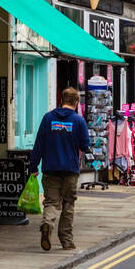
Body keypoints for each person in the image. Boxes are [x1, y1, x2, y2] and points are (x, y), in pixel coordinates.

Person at [28, 87, 90, 252]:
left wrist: (33, 166)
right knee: (68, 204)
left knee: (51, 202)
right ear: (76, 102)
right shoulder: (78, 121)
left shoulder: (48, 118)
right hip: (70, 169)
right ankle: (66, 241)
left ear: (61, 100)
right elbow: (85, 145)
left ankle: (47, 224)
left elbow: (39, 143)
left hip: (50, 168)